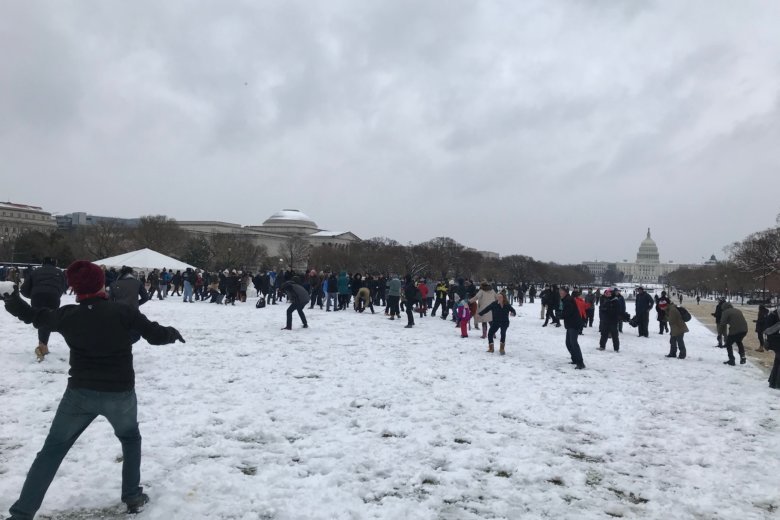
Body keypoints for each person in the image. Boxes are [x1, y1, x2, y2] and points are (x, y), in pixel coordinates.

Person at [1, 260, 184, 519]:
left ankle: (21, 514)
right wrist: (172, 333)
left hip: (80, 394)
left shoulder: (68, 315)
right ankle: (132, 496)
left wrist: (11, 299)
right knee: (130, 439)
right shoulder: (123, 312)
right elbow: (154, 336)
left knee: (52, 450)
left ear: (74, 288)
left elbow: (32, 316)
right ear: (102, 283)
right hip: (119, 393)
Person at [20, 257, 68, 362]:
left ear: (43, 263)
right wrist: (56, 293)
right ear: (54, 263)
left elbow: (23, 289)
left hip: (37, 296)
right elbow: (64, 286)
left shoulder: (35, 271)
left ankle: (42, 345)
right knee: (48, 319)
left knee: (40, 319)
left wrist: (32, 295)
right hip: (53, 297)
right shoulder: (59, 272)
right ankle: (43, 346)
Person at [560, 287, 585, 369]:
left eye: (562, 291)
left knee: (574, 343)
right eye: (560, 291)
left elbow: (568, 312)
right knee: (568, 343)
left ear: (566, 292)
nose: (560, 292)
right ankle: (574, 359)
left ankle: (580, 363)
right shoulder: (566, 299)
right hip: (570, 324)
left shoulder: (568, 300)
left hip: (574, 325)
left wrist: (560, 315)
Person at [764, 308, 780, 388]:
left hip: (774, 341)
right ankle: (777, 383)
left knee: (777, 361)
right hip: (777, 340)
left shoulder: (773, 313)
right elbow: (768, 329)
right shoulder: (774, 314)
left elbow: (766, 329)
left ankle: (773, 382)